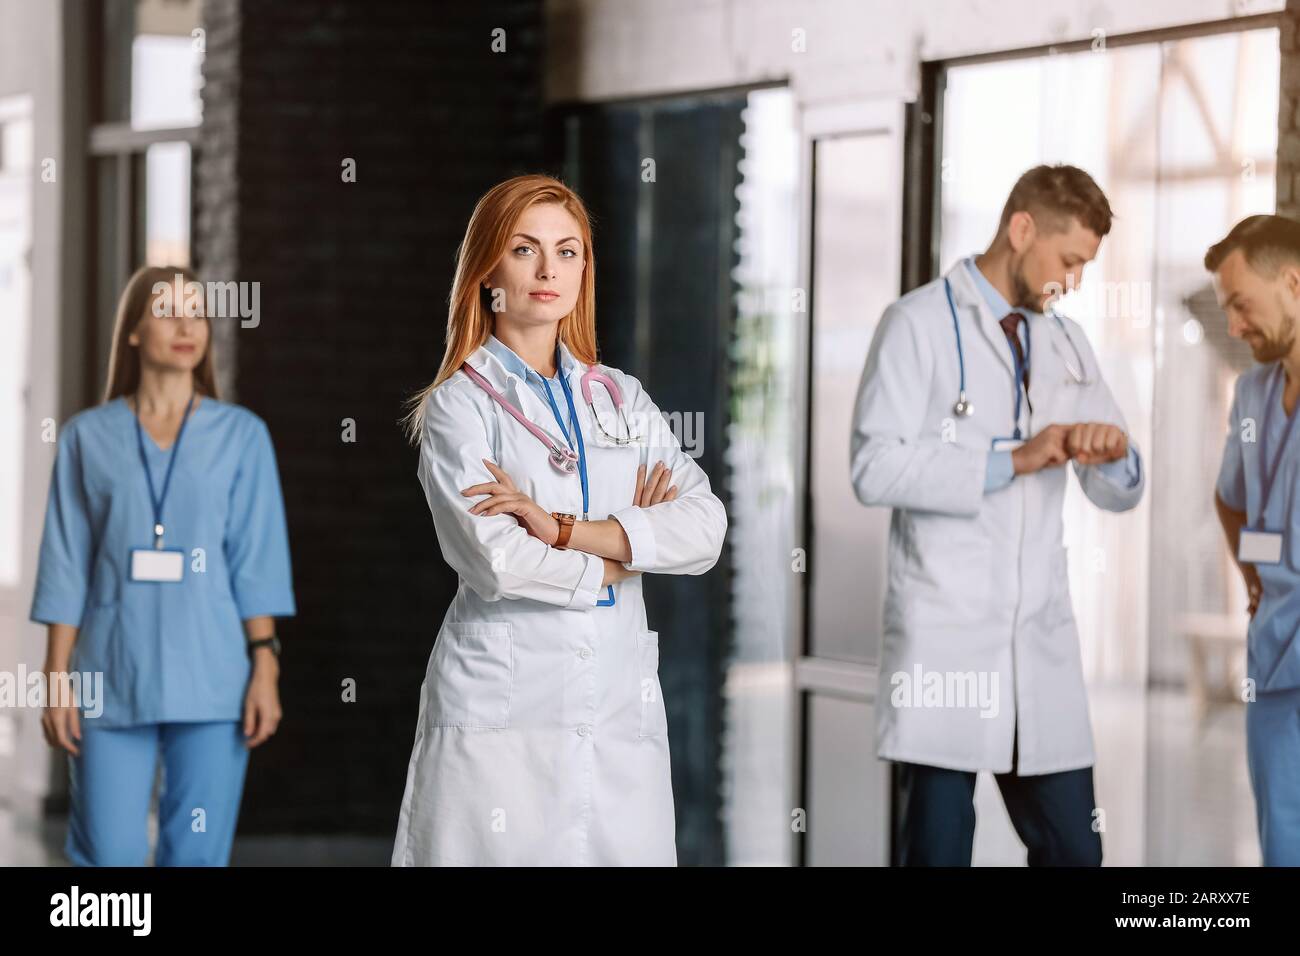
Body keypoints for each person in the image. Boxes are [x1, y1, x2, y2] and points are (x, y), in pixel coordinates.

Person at [391, 174, 728, 866]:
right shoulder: (460, 407)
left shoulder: (621, 397)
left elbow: (704, 528)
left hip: (615, 703)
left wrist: (566, 530)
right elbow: (498, 560)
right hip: (505, 707)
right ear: (488, 271)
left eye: (568, 251)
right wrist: (626, 550)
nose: (549, 270)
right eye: (525, 249)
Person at [849, 164, 1145, 866]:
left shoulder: (1067, 343)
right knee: (939, 853)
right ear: (1021, 230)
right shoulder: (916, 323)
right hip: (945, 642)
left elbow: (1120, 487)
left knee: (1076, 852)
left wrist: (1112, 457)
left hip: (1039, 644)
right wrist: (1010, 459)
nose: (1072, 282)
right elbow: (872, 467)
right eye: (1068, 260)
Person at [32, 264, 295, 866]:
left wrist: (265, 665)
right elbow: (66, 564)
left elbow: (255, 561)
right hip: (109, 677)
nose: (186, 326)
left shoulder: (243, 436)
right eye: (168, 312)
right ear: (132, 331)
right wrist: (54, 678)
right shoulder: (85, 438)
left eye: (197, 313)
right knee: (109, 854)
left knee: (196, 854)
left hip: (213, 680)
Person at [1209, 214, 1300, 866]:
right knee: (1283, 846)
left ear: (1293, 282)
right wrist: (1253, 581)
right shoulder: (1253, 393)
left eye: (1241, 305)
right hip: (1273, 662)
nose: (1234, 327)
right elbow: (1229, 497)